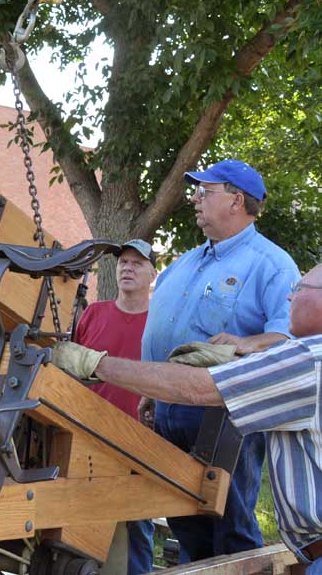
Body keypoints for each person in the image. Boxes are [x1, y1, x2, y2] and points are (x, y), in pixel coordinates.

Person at [53, 263, 322, 574]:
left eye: (298, 289)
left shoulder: (309, 359)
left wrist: (93, 363)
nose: (289, 299)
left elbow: (197, 390)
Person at [138, 159, 300, 563]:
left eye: (205, 191)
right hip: (167, 408)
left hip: (225, 414)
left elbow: (291, 337)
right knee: (182, 518)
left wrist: (249, 342)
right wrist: (149, 391)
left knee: (230, 525)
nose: (195, 198)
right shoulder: (186, 261)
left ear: (236, 201)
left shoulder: (272, 264)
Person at [73, 239, 157, 574]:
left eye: (137, 263)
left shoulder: (159, 323)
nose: (127, 268)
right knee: (83, 523)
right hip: (89, 437)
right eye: (123, 262)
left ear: (153, 273)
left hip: (140, 441)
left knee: (137, 526)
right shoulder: (93, 313)